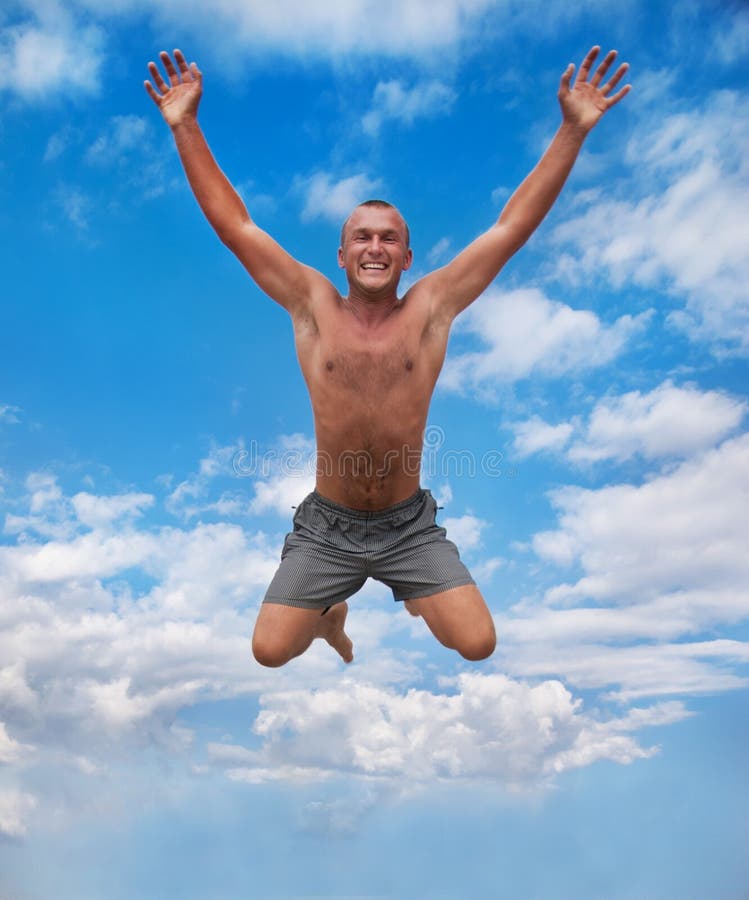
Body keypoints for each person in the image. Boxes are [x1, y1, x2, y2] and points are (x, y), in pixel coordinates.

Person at [145, 46, 630, 668]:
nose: (375, 246)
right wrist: (185, 124)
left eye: (389, 238)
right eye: (361, 238)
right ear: (342, 256)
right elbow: (236, 226)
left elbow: (509, 229)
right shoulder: (311, 305)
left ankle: (415, 592)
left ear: (406, 257)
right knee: (269, 651)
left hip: (406, 526)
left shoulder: (430, 309)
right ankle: (331, 615)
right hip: (328, 527)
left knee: (478, 644)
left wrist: (571, 130)